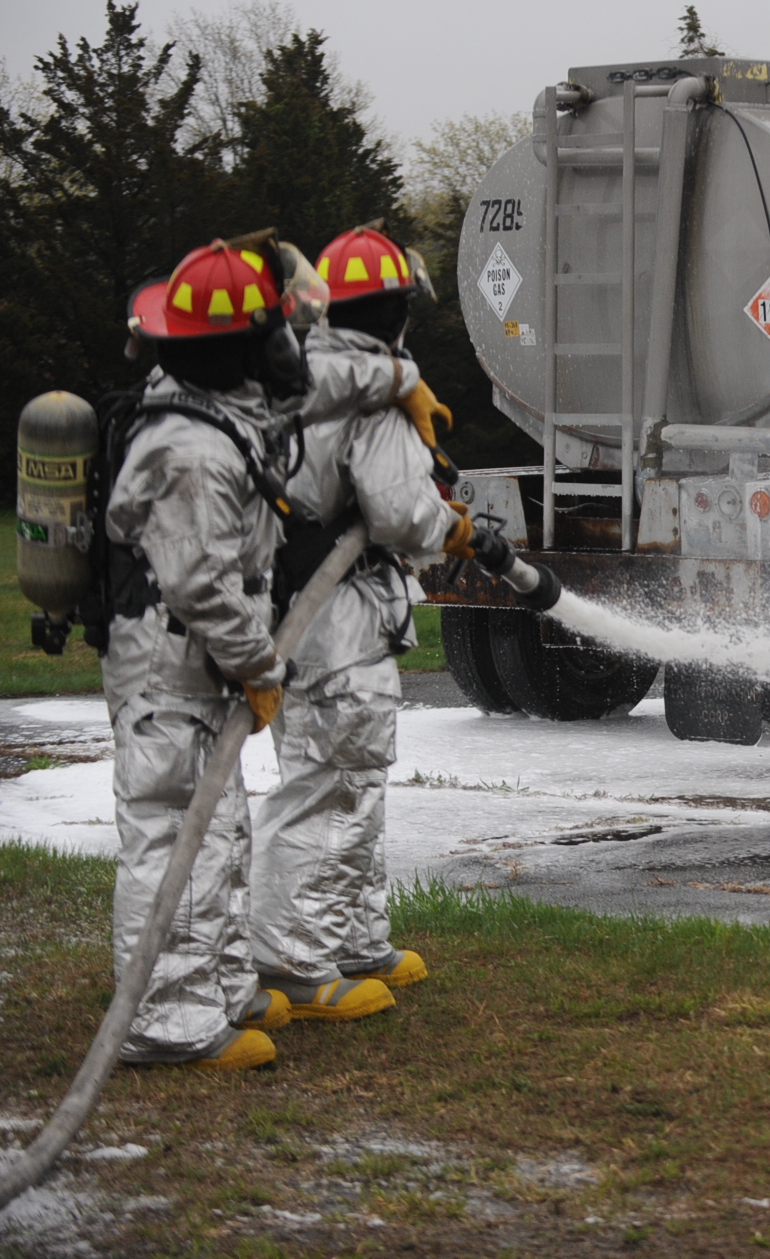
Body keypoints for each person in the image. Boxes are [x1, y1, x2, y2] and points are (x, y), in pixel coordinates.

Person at [105, 235, 443, 1070]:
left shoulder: (231, 402)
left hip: (200, 657)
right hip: (169, 659)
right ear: (236, 347)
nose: (289, 348)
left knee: (218, 828)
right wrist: (261, 667)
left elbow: (325, 380)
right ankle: (168, 1023)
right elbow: (200, 586)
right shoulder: (188, 451)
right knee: (176, 831)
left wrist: (402, 378)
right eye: (273, 334)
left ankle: (220, 990)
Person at [249, 223, 473, 1015]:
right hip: (338, 619)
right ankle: (296, 968)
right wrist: (448, 526)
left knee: (348, 786)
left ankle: (354, 943)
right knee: (332, 789)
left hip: (300, 616)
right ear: (396, 309)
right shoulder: (375, 393)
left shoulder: (300, 373)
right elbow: (398, 512)